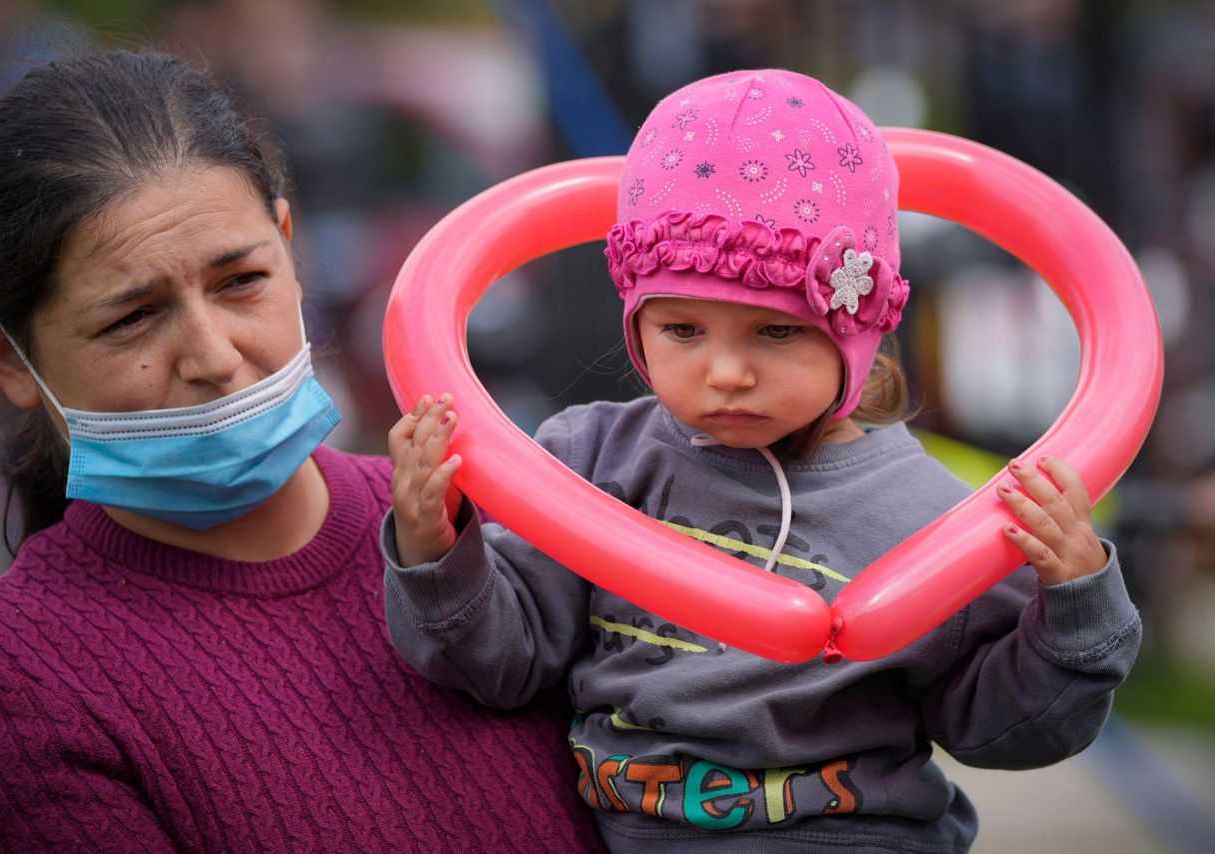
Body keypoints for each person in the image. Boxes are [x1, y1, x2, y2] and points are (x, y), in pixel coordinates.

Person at [384, 69, 1142, 852]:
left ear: (855, 332)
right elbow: (501, 664)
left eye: (775, 332)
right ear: (637, 322)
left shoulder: (929, 515)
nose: (726, 373)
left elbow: (1002, 729)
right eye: (683, 330)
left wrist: (1078, 604)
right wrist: (434, 548)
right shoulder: (589, 461)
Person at [0, 49, 606, 852]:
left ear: (291, 248)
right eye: (131, 319)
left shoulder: (497, 526)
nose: (214, 355)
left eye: (241, 281)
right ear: (9, 360)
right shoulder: (5, 681)